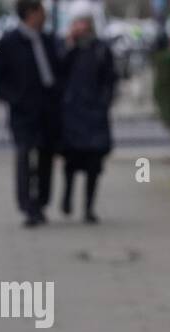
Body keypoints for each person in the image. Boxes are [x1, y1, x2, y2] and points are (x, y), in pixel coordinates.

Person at [0, 0, 61, 228]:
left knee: (46, 157)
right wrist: (14, 98)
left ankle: (41, 202)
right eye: (42, 12)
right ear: (31, 13)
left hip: (48, 109)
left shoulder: (48, 39)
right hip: (23, 112)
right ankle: (27, 206)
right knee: (24, 158)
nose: (45, 16)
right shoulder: (7, 42)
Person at [58, 9, 116, 224]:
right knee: (71, 161)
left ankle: (89, 207)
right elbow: (58, 72)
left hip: (94, 114)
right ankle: (67, 198)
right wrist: (70, 45)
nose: (81, 28)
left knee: (94, 164)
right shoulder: (67, 48)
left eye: (84, 23)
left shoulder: (101, 49)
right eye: (77, 23)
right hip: (72, 113)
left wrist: (104, 103)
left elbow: (110, 79)